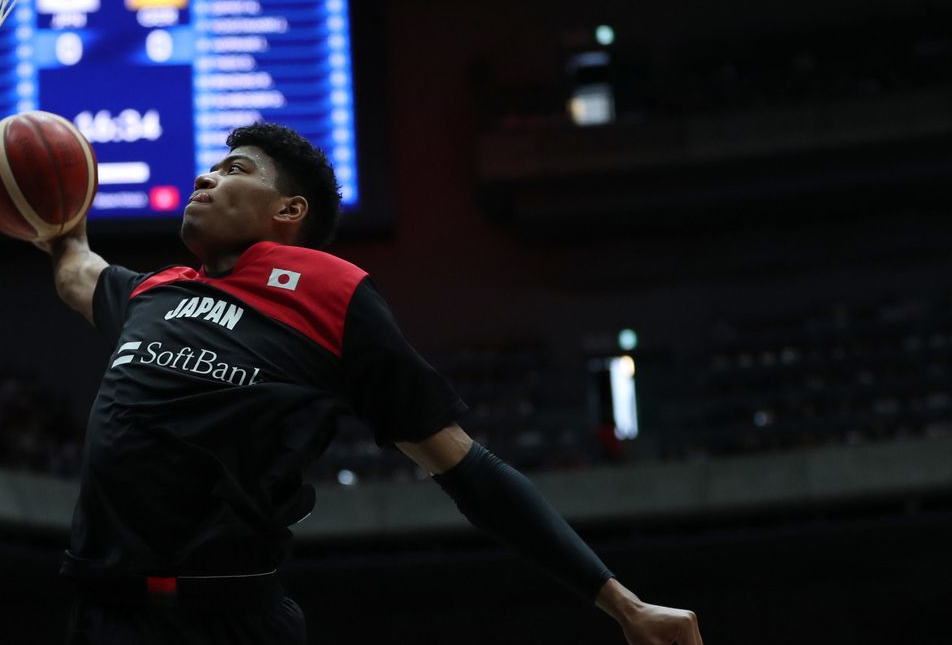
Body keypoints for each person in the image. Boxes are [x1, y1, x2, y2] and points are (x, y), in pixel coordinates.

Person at [41, 122, 705, 644]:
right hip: (102, 611)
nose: (205, 177)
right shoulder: (154, 292)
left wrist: (621, 602)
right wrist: (59, 219)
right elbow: (79, 274)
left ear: (289, 210)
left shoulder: (332, 292)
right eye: (212, 167)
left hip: (224, 619)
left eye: (233, 170)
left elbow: (468, 467)